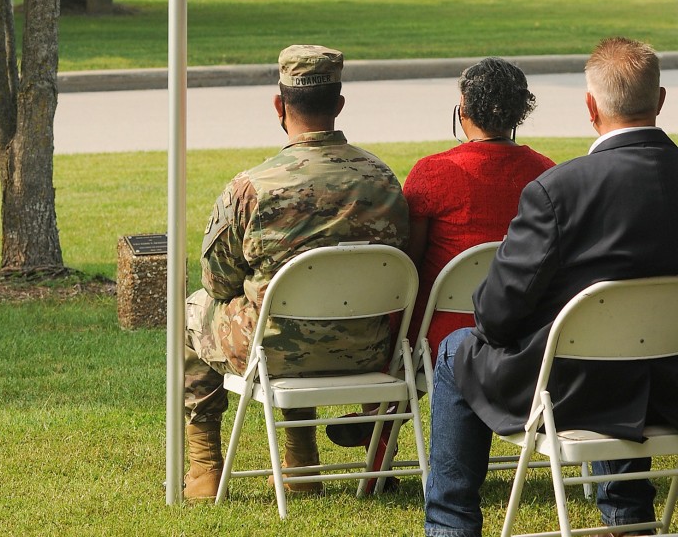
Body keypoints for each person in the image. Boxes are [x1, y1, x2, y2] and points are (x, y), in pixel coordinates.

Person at [424, 37, 678, 537]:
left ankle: (450, 526)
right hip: (669, 387)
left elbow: (495, 316)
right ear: (661, 101)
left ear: (591, 107)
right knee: (620, 355)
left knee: (457, 350)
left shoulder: (559, 190)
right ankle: (629, 520)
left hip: (577, 390)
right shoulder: (555, 183)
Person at [183, 44, 410, 500]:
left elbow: (217, 281)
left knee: (195, 309)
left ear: (279, 105)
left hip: (274, 352)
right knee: (281, 310)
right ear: (340, 104)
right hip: (366, 348)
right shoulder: (383, 180)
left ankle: (204, 468)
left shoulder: (252, 187)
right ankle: (298, 460)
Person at [404, 58, 555, 360]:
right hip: (525, 331)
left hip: (441, 334)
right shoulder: (547, 174)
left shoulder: (432, 172)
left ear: (464, 111)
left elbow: (410, 265)